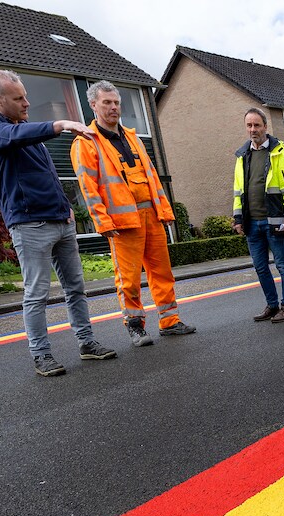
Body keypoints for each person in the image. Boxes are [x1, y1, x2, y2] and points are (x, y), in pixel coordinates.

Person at [0, 69, 116, 377]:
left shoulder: (24, 125)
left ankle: (87, 342)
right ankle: (41, 355)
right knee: (36, 293)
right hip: (29, 223)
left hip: (60, 219)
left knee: (75, 287)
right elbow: (13, 138)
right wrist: (61, 123)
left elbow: (47, 175)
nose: (27, 103)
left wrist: (67, 208)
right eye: (19, 98)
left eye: (25, 96)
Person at [71, 81, 194, 347]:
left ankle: (170, 321)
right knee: (128, 280)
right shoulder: (86, 143)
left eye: (116, 102)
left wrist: (164, 210)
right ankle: (135, 326)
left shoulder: (132, 136)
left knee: (162, 272)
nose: (114, 107)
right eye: (107, 103)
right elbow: (88, 188)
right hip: (122, 223)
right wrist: (103, 222)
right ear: (93, 105)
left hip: (150, 216)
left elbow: (152, 178)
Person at [232, 108, 284, 323]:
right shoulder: (243, 157)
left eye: (257, 125)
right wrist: (238, 218)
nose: (253, 130)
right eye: (249, 125)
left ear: (265, 127)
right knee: (260, 268)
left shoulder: (281, 154)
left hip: (275, 221)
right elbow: (238, 191)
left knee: (282, 265)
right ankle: (272, 305)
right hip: (252, 223)